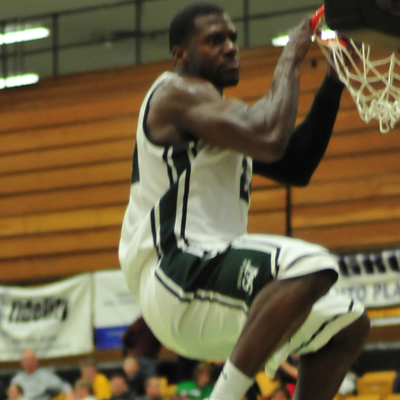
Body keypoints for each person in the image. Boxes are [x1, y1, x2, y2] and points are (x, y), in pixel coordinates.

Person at [117, 4, 370, 400]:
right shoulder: (175, 92)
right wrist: (290, 55)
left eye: (232, 38)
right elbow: (269, 136)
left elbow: (296, 163)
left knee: (347, 322)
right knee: (309, 266)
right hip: (177, 271)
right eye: (215, 40)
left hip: (207, 296)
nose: (231, 47)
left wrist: (334, 81)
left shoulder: (218, 120)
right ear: (180, 55)